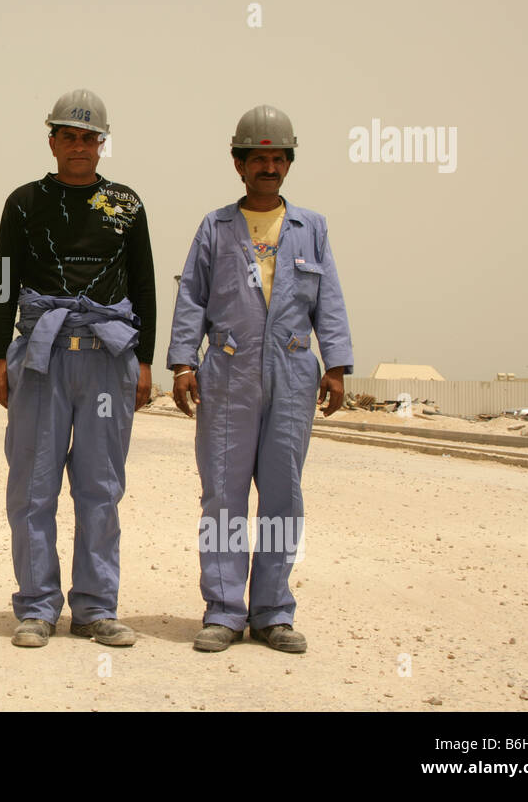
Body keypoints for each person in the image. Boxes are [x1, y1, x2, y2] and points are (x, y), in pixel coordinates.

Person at [168, 105, 352, 654]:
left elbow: (332, 300)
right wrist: (183, 362)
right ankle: (223, 610)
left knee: (282, 496)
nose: (268, 167)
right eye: (257, 159)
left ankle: (273, 611)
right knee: (221, 494)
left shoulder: (311, 227)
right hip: (227, 370)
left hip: (294, 372)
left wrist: (336, 364)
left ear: (288, 164)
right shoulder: (216, 226)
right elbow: (192, 296)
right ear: (239, 164)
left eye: (277, 158)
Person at [0, 88, 156, 648]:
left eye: (89, 138)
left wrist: (146, 363)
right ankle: (36, 606)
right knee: (33, 487)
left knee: (100, 487)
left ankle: (94, 609)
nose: (79, 147)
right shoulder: (23, 203)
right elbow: (3, 283)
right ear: (52, 140)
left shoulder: (126, 206)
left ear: (102, 144)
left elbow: (144, 286)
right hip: (41, 357)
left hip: (108, 358)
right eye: (69, 136)